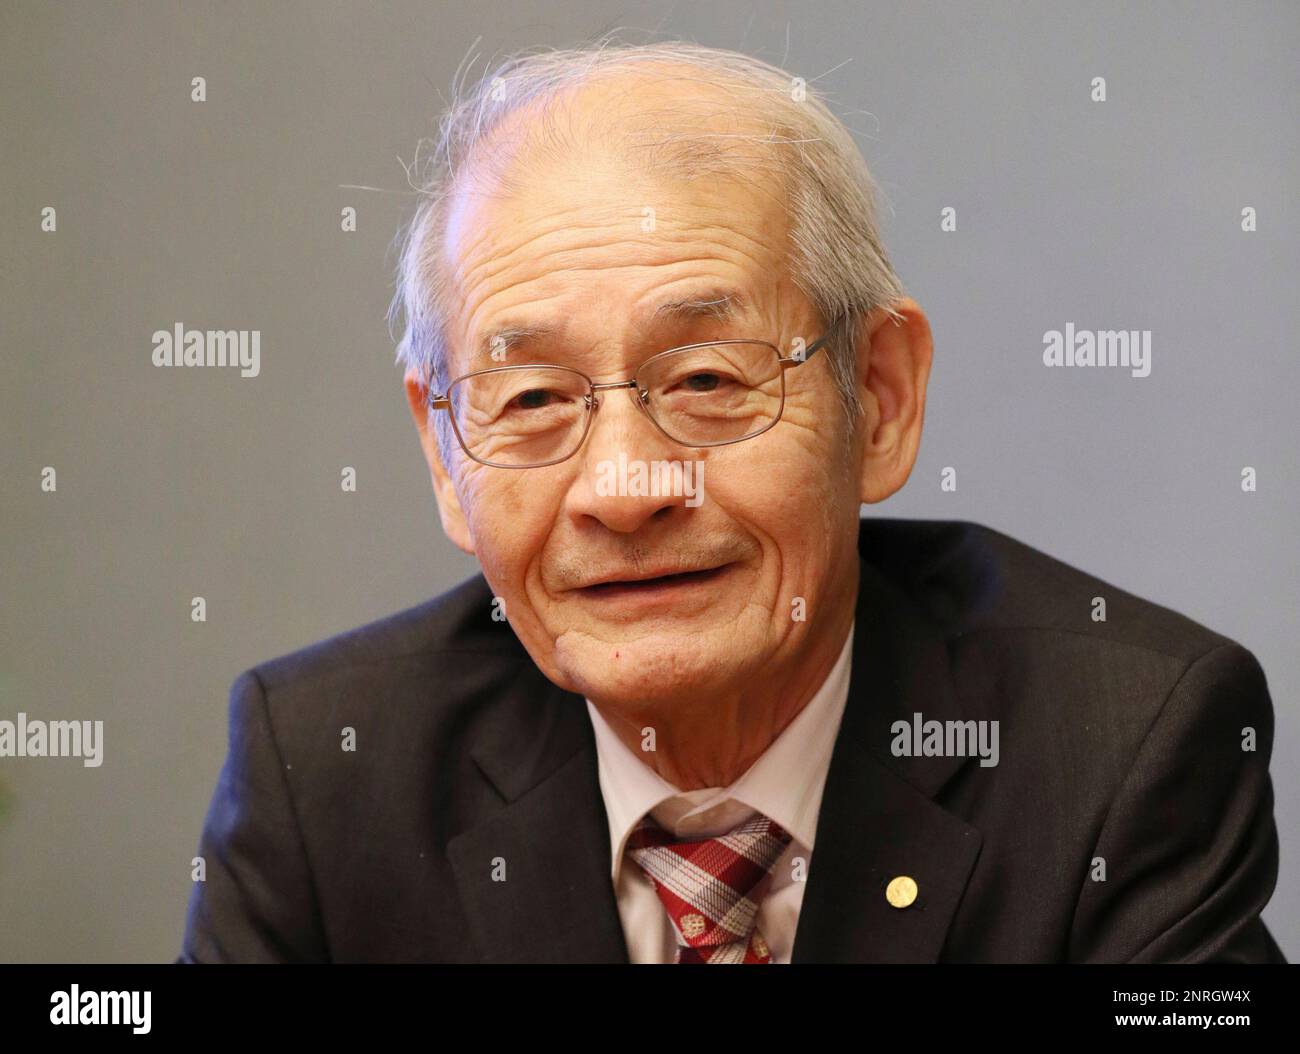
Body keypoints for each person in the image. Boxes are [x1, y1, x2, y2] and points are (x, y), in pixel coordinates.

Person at [177, 40, 1284, 963]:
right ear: (444, 451)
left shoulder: (1119, 746)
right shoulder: (324, 770)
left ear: (880, 399)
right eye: (530, 397)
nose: (622, 488)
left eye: (706, 380)